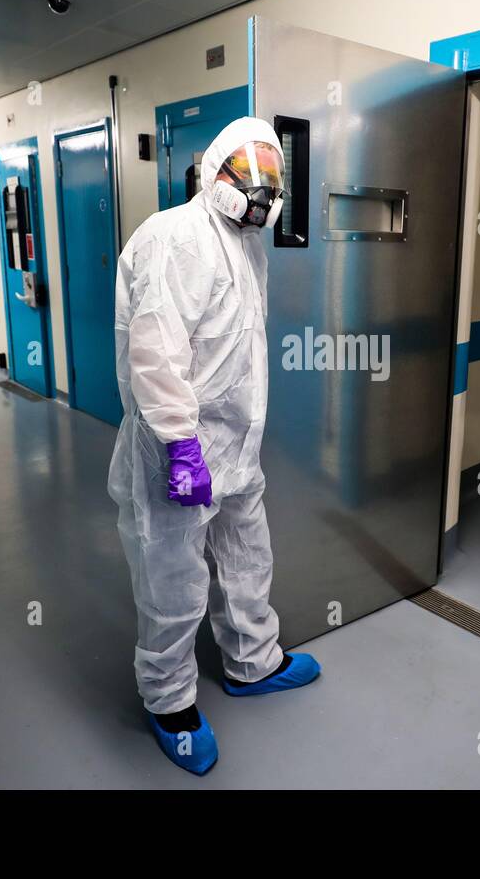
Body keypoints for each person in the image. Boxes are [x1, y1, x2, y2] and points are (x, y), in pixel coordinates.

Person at [108, 117, 322, 776]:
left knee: (247, 554)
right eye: (249, 171)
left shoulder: (247, 243)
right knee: (173, 574)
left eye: (272, 175)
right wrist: (179, 445)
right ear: (215, 171)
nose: (261, 188)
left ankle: (252, 661)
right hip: (181, 450)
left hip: (236, 447)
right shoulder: (176, 237)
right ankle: (169, 701)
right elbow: (154, 355)